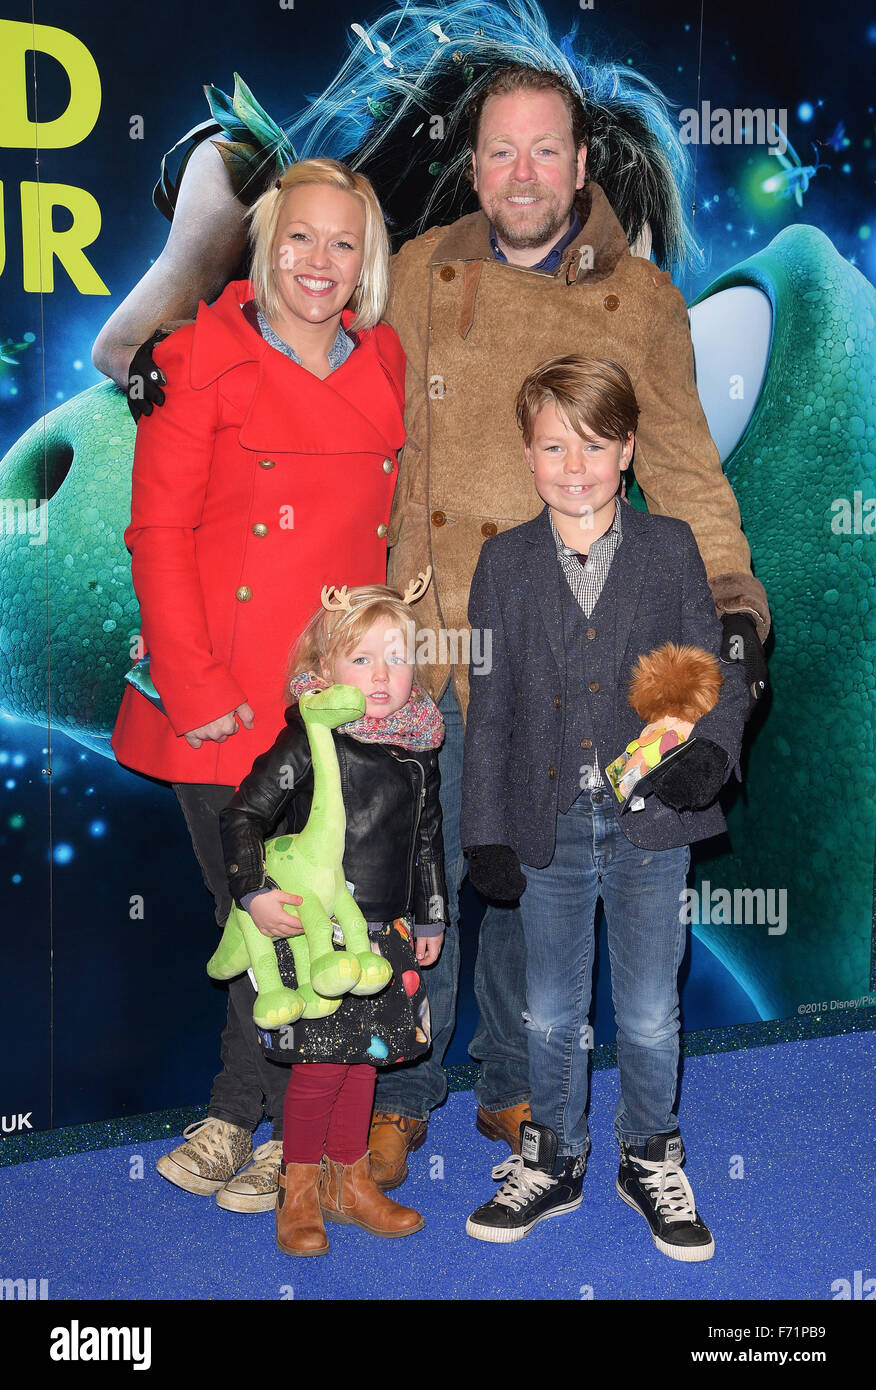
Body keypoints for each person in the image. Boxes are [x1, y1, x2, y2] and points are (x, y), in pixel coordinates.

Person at [371, 61, 768, 1184]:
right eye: (500, 151)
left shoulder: (638, 298)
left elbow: (686, 471)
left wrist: (733, 611)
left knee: (526, 878)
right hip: (433, 626)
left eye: (546, 149)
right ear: (473, 163)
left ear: (583, 164)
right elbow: (318, 330)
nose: (523, 174)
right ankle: (406, 1091)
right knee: (420, 883)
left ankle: (510, 1089)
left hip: (557, 634)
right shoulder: (421, 267)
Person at [111, 158, 407, 1212]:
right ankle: (252, 1109)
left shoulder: (387, 364)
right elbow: (156, 533)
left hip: (335, 709)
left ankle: (270, 1123)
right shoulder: (195, 359)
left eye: (344, 243)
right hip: (225, 701)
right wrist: (193, 690)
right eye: (300, 238)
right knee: (255, 908)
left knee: (323, 915)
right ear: (265, 243)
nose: (319, 264)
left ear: (366, 261)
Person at [459, 355, 748, 1258]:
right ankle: (553, 1157)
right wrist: (485, 834)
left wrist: (710, 754)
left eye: (592, 444)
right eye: (553, 445)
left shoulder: (669, 548)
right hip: (547, 832)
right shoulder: (501, 562)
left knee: (653, 1009)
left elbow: (713, 670)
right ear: (528, 453)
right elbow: (490, 705)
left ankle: (649, 1153)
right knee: (548, 1008)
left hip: (651, 828)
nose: (573, 465)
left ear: (627, 449)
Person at [218, 580, 446, 1255]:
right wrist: (253, 891)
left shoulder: (421, 744)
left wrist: (430, 915)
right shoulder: (309, 739)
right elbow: (242, 815)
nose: (382, 675)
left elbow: (427, 838)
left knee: (365, 1063)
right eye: (362, 659)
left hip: (389, 934)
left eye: (397, 658)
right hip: (321, 935)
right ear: (325, 668)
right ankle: (300, 1188)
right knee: (320, 1066)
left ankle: (350, 1183)